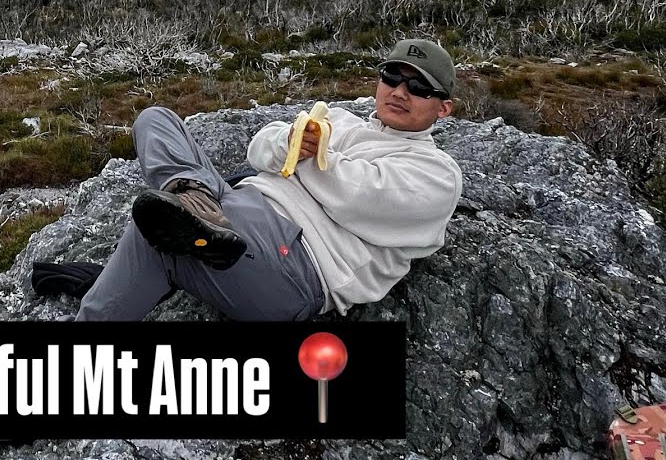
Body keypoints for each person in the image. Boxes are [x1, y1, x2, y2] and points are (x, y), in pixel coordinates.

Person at [68, 38, 464, 321]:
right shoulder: (341, 121)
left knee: (155, 234)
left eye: (417, 87)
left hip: (297, 264)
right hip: (237, 208)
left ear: (443, 108)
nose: (399, 91)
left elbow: (361, 198)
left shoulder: (437, 175)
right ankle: (195, 200)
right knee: (156, 120)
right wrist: (289, 142)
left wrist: (304, 158)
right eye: (392, 76)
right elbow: (260, 148)